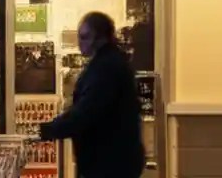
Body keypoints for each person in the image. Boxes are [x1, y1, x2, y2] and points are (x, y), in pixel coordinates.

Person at [38, 12, 145, 178]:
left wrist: (51, 129)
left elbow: (88, 110)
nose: (80, 43)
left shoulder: (105, 68)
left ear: (100, 38)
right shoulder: (111, 62)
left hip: (107, 162)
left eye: (85, 37)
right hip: (115, 159)